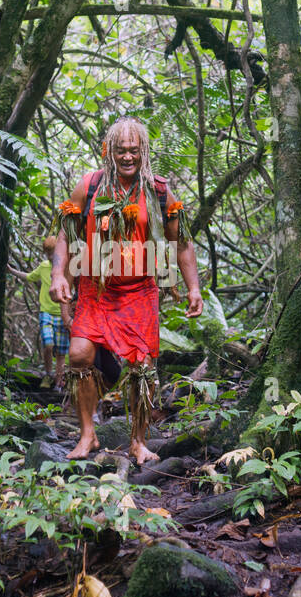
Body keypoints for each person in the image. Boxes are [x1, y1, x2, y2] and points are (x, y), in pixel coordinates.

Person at [49, 116, 203, 464]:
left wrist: (194, 288)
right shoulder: (89, 186)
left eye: (134, 150)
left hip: (140, 290)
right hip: (95, 288)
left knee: (142, 369)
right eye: (121, 150)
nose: (128, 157)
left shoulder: (160, 191)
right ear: (109, 151)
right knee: (79, 356)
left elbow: (182, 243)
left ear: (144, 151)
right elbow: (63, 234)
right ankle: (88, 436)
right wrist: (59, 276)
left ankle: (137, 441)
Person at [14, 237, 72, 387]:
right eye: (47, 253)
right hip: (46, 312)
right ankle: (48, 374)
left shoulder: (67, 268)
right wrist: (12, 270)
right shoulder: (44, 266)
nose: (50, 257)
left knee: (60, 353)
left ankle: (58, 382)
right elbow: (29, 276)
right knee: (48, 345)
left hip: (62, 314)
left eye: (52, 253)